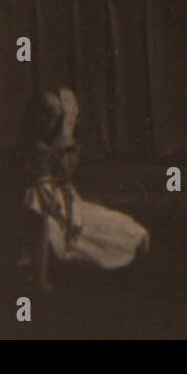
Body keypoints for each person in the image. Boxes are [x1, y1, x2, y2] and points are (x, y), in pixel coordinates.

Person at [20, 88, 149, 292]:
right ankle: (40, 277)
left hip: (61, 203)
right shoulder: (36, 149)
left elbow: (64, 178)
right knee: (60, 232)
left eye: (56, 116)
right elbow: (43, 197)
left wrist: (69, 201)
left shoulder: (51, 147)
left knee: (122, 228)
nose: (51, 122)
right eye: (47, 115)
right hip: (44, 210)